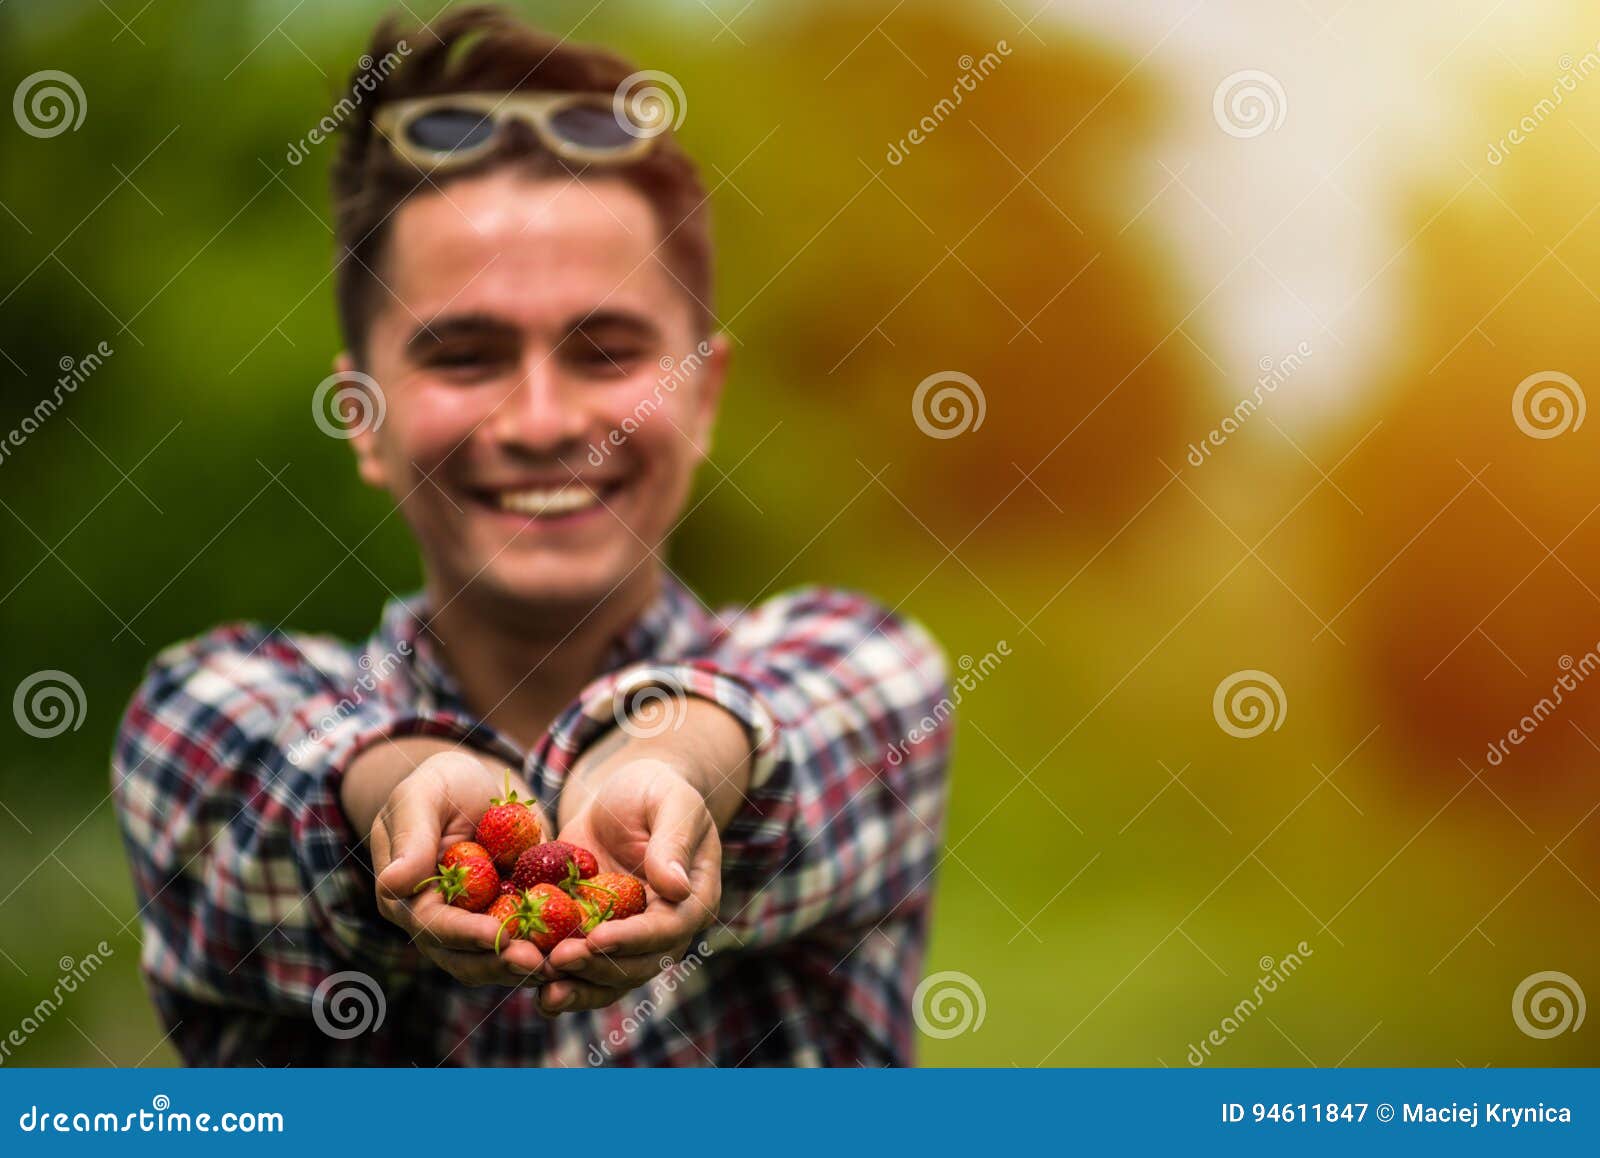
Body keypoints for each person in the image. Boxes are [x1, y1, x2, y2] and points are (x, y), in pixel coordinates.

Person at [113, 4, 950, 1067]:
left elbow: (831, 703)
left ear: (703, 398)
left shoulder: (872, 676)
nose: (545, 420)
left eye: (604, 350)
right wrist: (398, 790)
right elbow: (241, 759)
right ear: (361, 417)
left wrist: (680, 760)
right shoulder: (207, 723)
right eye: (465, 355)